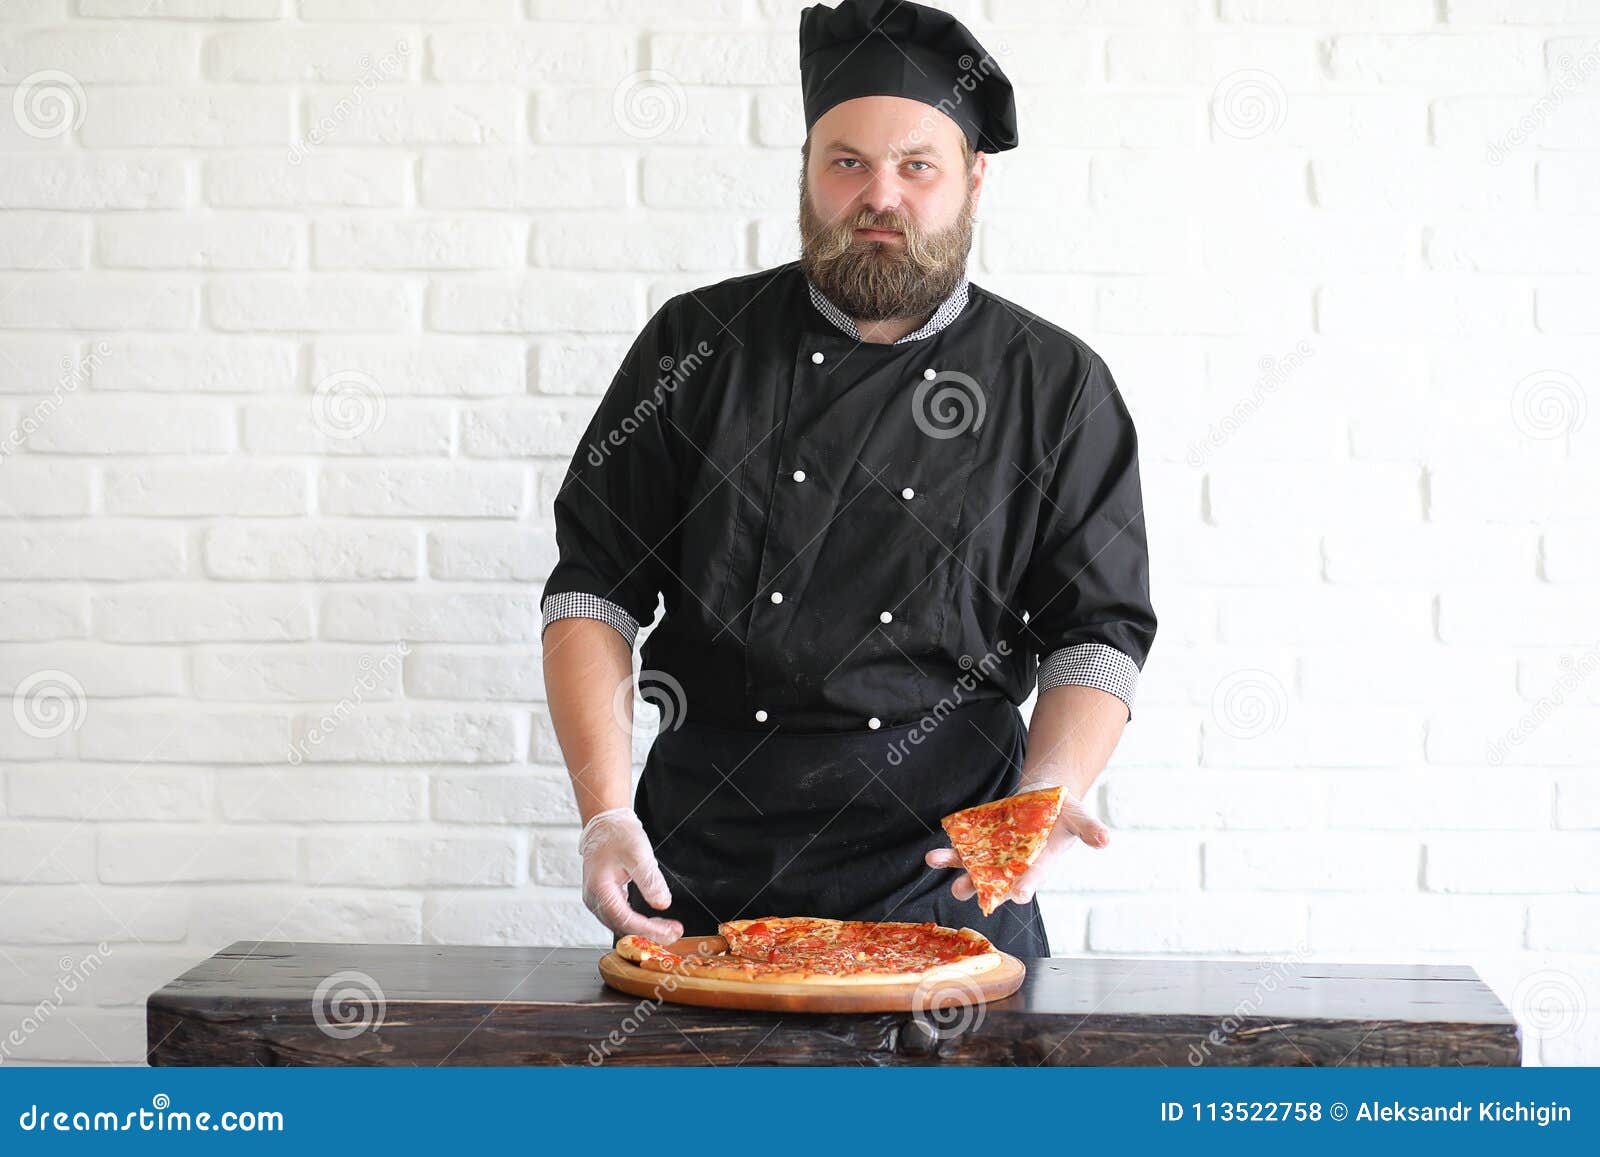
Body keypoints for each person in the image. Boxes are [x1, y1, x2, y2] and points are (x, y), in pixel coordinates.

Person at [541, 0, 1157, 958]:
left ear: (972, 179)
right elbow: (594, 588)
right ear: (806, 173)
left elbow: (1099, 630)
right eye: (847, 162)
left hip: (949, 877)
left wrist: (1046, 799)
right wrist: (602, 811)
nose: (882, 196)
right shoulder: (693, 347)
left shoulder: (1054, 381)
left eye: (917, 165)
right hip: (700, 879)